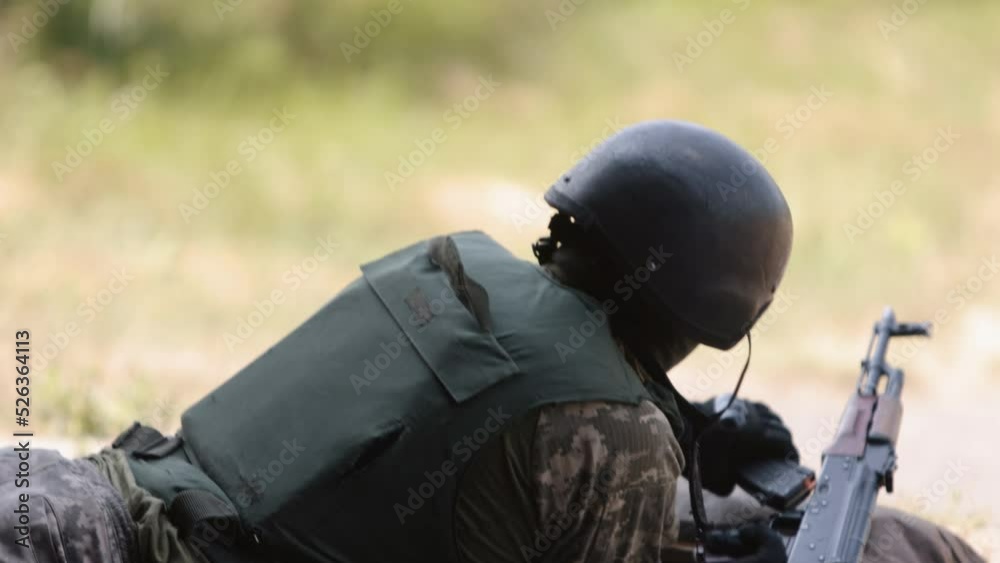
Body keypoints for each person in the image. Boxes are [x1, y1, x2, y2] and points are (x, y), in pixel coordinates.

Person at [0, 121, 984, 563]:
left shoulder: (447, 267)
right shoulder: (609, 428)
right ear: (706, 317)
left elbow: (443, 439)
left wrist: (684, 451)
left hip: (81, 496)